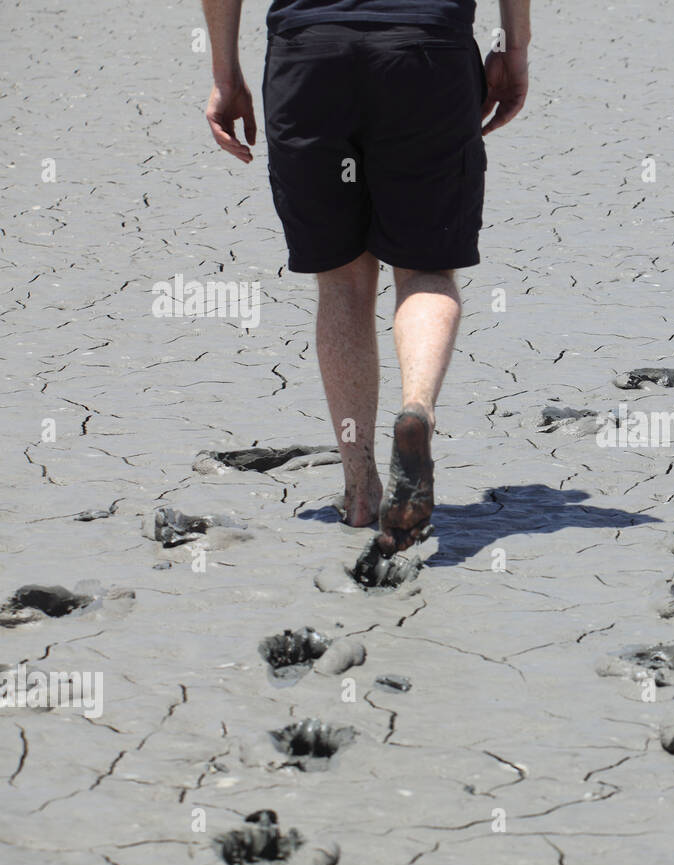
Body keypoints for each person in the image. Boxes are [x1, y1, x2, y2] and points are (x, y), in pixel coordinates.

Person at [200, 0, 530, 554]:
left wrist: (225, 74)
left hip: (310, 54)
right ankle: (417, 410)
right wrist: (513, 49)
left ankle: (359, 489)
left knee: (343, 281)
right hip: (425, 50)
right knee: (426, 269)